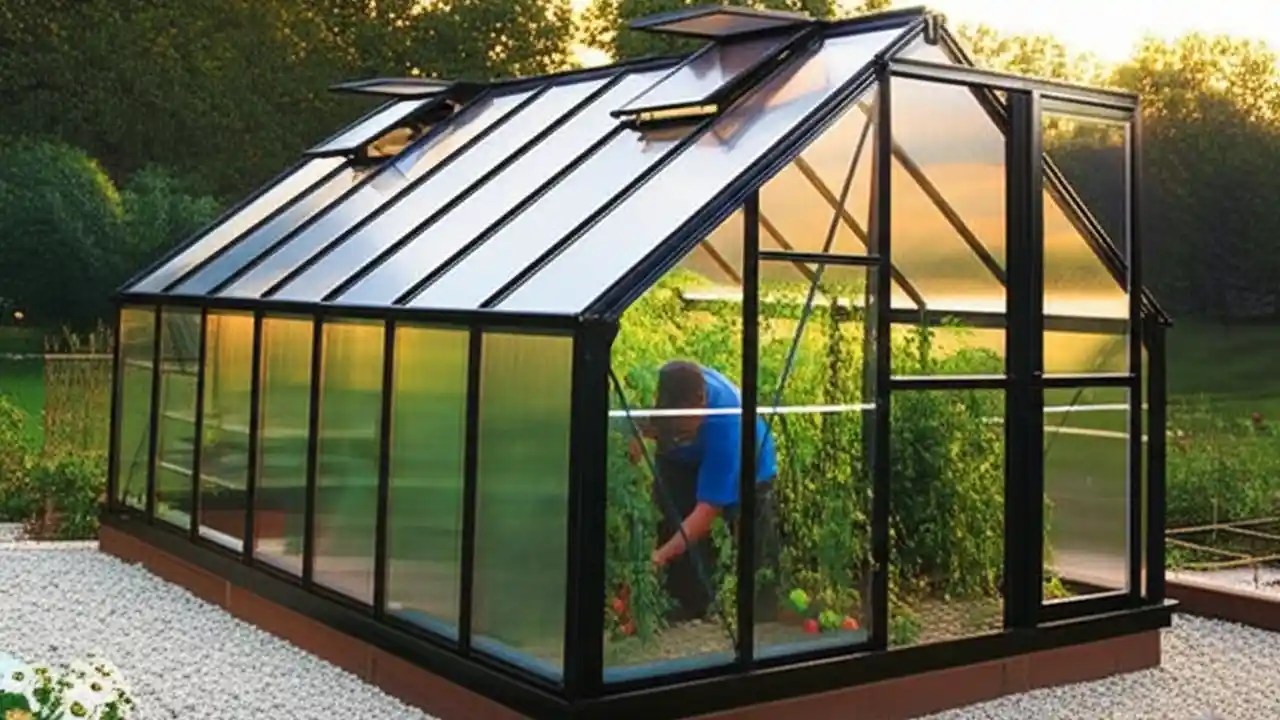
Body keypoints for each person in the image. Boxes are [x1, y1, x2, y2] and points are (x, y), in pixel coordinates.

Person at [628, 360, 781, 623]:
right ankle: (685, 605)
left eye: (684, 427)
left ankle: (761, 614)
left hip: (750, 465)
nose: (678, 432)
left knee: (755, 546)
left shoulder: (727, 421)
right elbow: (642, 431)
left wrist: (658, 558)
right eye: (672, 425)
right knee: (672, 517)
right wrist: (636, 443)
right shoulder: (664, 389)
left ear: (701, 401)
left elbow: (707, 511)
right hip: (683, 461)